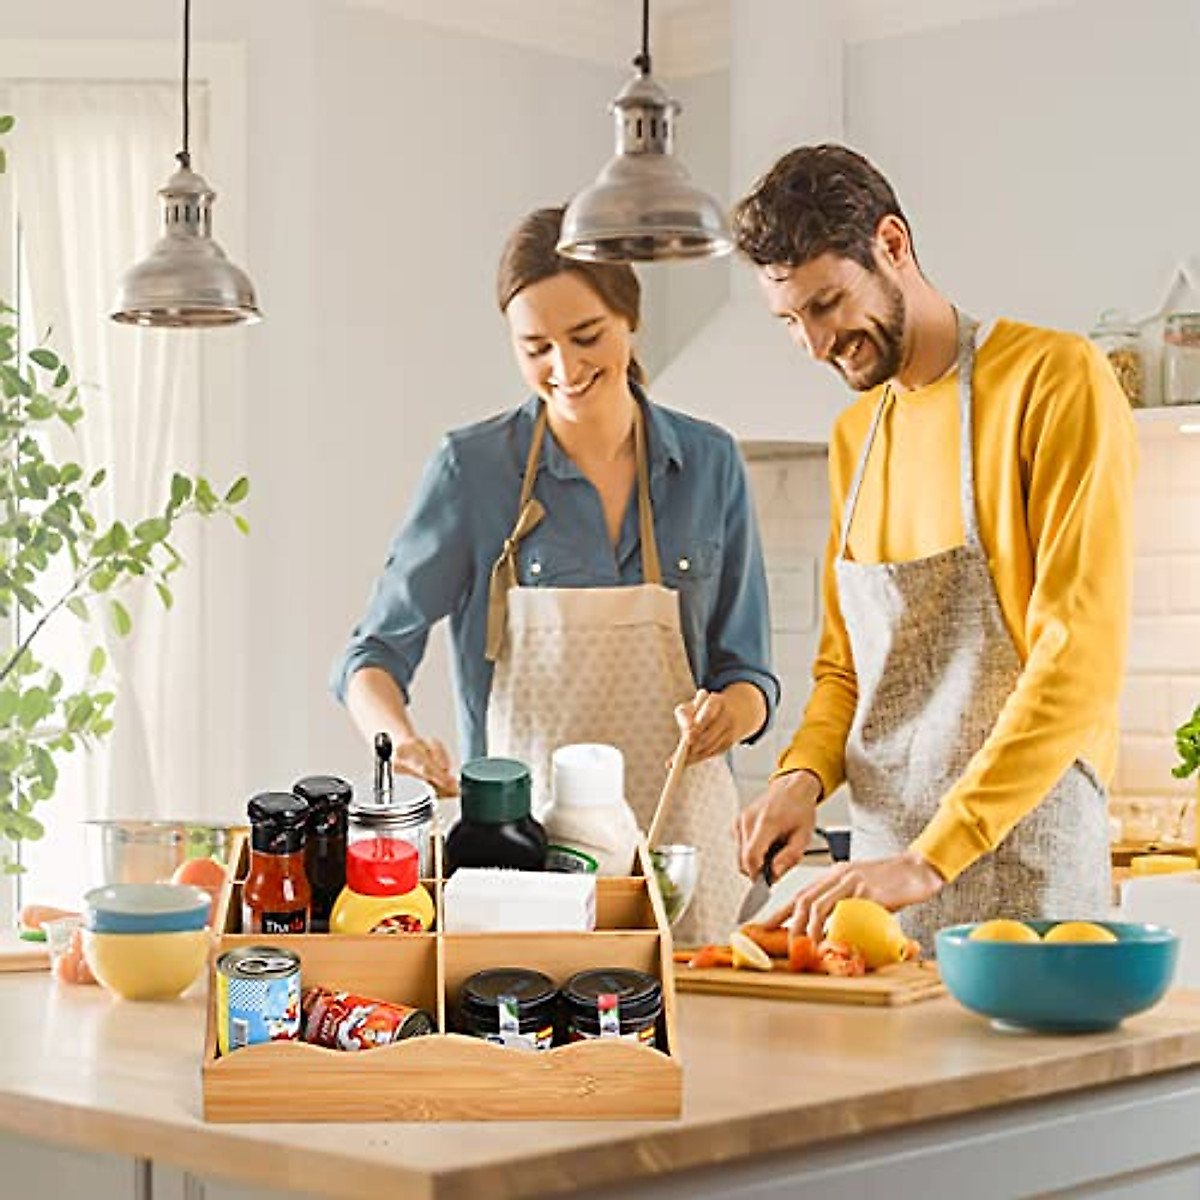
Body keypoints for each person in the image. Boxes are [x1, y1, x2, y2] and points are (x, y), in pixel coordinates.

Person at [730, 145, 1137, 953]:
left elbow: (1075, 660)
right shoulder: (857, 436)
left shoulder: (1053, 382)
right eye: (791, 321)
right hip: (882, 885)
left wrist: (933, 858)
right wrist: (800, 777)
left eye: (828, 303)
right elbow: (848, 669)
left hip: (1028, 866)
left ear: (892, 244)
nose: (814, 345)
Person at [333, 206, 779, 942]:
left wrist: (730, 713)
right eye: (535, 347)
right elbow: (372, 654)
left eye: (586, 337)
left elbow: (749, 672)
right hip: (523, 863)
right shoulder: (472, 472)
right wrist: (399, 738)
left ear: (630, 320)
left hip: (683, 859)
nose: (564, 370)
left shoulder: (710, 464)